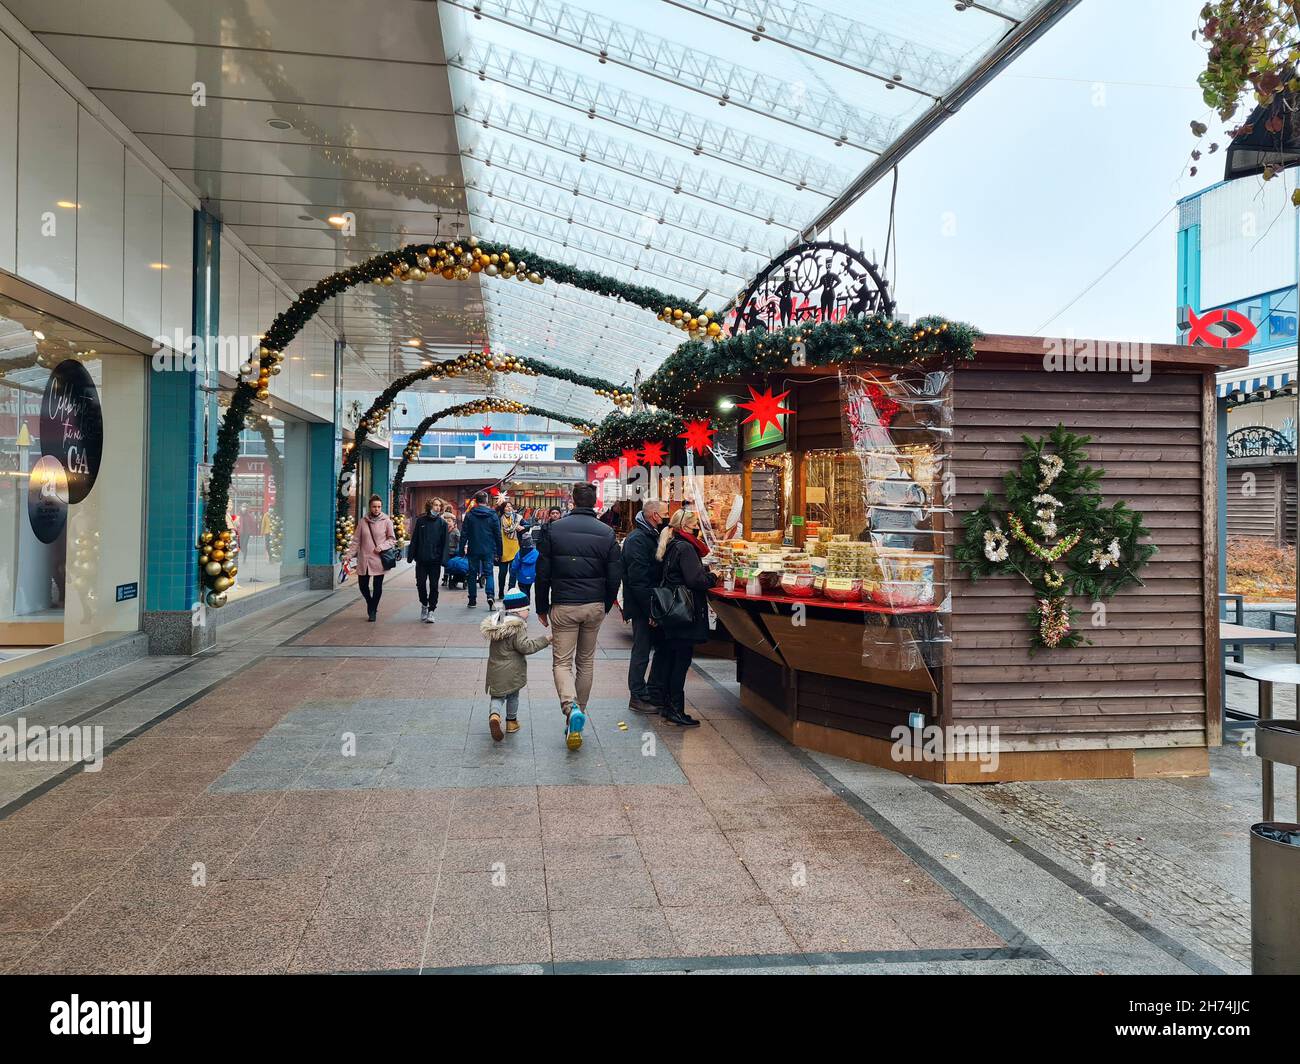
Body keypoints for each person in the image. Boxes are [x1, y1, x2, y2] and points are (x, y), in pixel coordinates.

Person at [535, 482, 623, 750]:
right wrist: (606, 604)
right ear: (594, 500)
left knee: (562, 663)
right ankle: (579, 712)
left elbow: (543, 571)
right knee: (586, 662)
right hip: (594, 604)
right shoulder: (606, 532)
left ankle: (570, 708)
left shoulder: (553, 529)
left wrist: (541, 606)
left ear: (573, 500)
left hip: (564, 603)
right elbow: (614, 575)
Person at [654, 509, 716, 727]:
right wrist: (713, 576)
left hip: (672, 612)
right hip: (684, 614)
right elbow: (695, 581)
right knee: (681, 661)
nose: (697, 529)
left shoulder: (672, 544)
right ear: (686, 527)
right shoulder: (687, 548)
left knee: (672, 659)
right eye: (695, 524)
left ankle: (667, 705)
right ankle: (675, 710)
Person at [480, 589, 552, 742]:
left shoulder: (497, 622)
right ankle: (511, 723)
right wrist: (545, 640)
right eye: (526, 609)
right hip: (512, 671)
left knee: (497, 696)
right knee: (513, 695)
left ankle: (494, 715)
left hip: (495, 669)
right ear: (518, 611)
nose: (528, 611)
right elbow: (525, 647)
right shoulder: (517, 627)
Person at [620, 499, 669, 713]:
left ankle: (650, 692)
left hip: (650, 602)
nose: (667, 516)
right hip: (643, 606)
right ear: (654, 515)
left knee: (654, 648)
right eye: (665, 513)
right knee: (641, 650)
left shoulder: (650, 534)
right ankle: (637, 696)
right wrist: (650, 609)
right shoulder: (638, 539)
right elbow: (638, 579)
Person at [348, 494, 397, 622]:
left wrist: (382, 546)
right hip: (364, 559)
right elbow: (356, 540)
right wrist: (349, 555)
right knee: (362, 586)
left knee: (377, 586)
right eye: (374, 506)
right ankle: (370, 603)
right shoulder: (363, 521)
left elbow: (392, 540)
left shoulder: (387, 521)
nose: (377, 509)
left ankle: (373, 611)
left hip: (379, 559)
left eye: (379, 506)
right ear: (370, 507)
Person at [407, 499, 449, 623]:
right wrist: (411, 556)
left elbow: (445, 543)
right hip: (421, 559)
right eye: (435, 505)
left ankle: (431, 610)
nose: (437, 507)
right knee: (420, 584)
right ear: (430, 506)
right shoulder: (421, 521)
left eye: (439, 506)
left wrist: (444, 560)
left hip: (435, 560)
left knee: (434, 586)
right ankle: (424, 604)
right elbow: (415, 539)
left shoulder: (442, 524)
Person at [461, 491, 503, 608]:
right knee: (489, 573)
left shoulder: (470, 515)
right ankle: (490, 595)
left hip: (473, 548)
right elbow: (497, 535)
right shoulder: (493, 515)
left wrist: (461, 549)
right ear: (486, 500)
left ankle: (472, 600)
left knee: (472, 574)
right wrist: (499, 551)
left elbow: (464, 533)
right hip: (488, 549)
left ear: (476, 501)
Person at [497, 500, 521, 596]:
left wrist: (522, 527)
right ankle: (501, 591)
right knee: (502, 573)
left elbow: (527, 526)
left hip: (514, 548)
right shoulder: (499, 519)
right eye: (506, 506)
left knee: (513, 572)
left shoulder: (517, 518)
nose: (509, 508)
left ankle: (510, 591)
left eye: (510, 506)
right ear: (503, 509)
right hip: (503, 548)